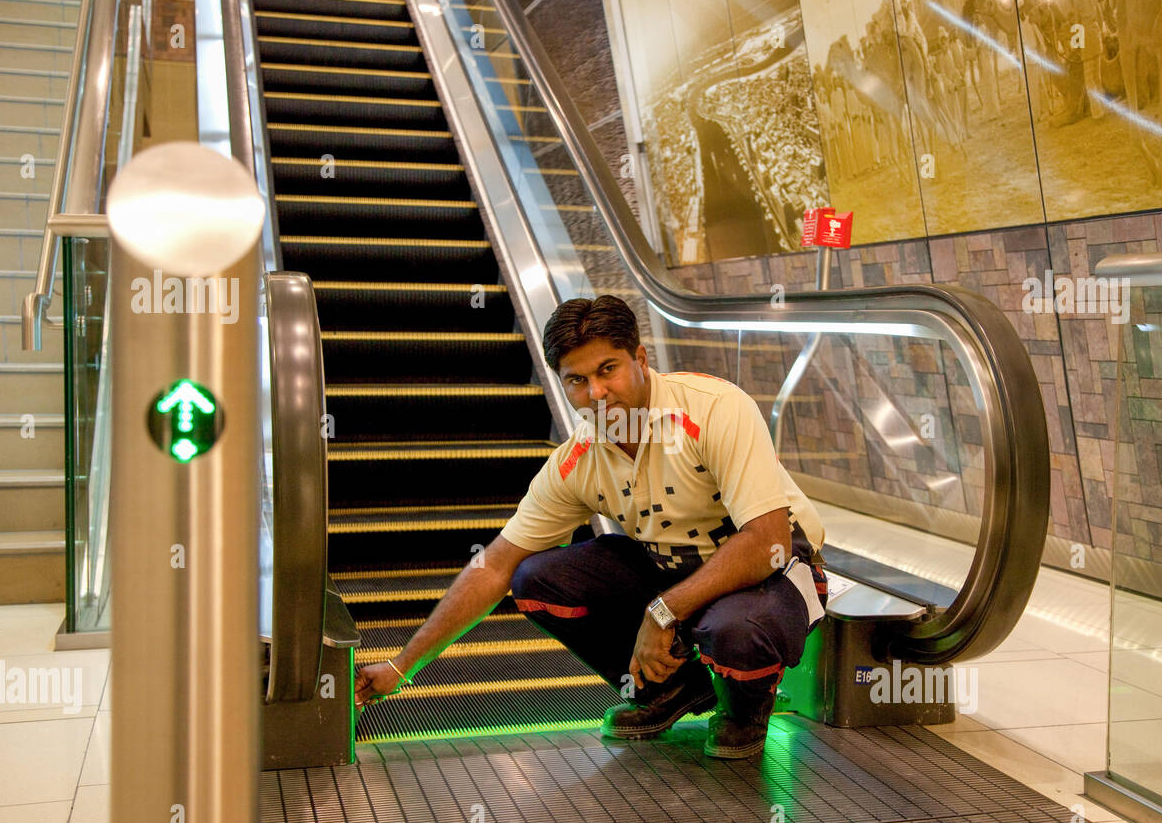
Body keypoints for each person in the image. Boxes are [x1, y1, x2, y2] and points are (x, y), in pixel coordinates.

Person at [354, 295, 828, 759]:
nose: (596, 394)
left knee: (735, 630)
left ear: (640, 359)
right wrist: (402, 666)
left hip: (774, 570)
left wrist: (661, 612)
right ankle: (676, 688)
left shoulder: (715, 409)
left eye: (608, 369)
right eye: (576, 380)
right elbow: (494, 567)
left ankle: (745, 710)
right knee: (533, 578)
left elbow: (767, 541)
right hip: (672, 570)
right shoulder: (577, 461)